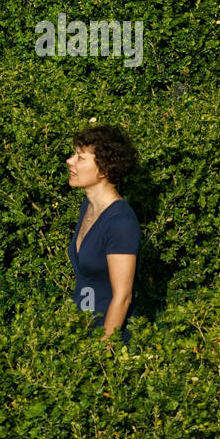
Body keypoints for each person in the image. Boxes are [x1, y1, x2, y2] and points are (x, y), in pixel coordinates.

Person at [65, 124, 140, 347]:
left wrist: (103, 349)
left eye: (80, 158)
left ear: (104, 170)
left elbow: (122, 297)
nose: (70, 161)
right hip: (81, 331)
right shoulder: (87, 206)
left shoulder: (120, 222)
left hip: (108, 342)